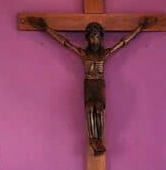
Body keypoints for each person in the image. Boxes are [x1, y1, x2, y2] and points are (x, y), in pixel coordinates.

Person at [27, 16, 155, 154]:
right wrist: (46, 29)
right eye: (92, 37)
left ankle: (99, 139)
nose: (95, 40)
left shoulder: (104, 54)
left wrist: (140, 28)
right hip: (88, 84)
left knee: (99, 108)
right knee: (89, 108)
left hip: (99, 84)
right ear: (87, 39)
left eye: (98, 37)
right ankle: (92, 139)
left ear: (101, 38)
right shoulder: (84, 54)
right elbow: (65, 42)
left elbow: (123, 42)